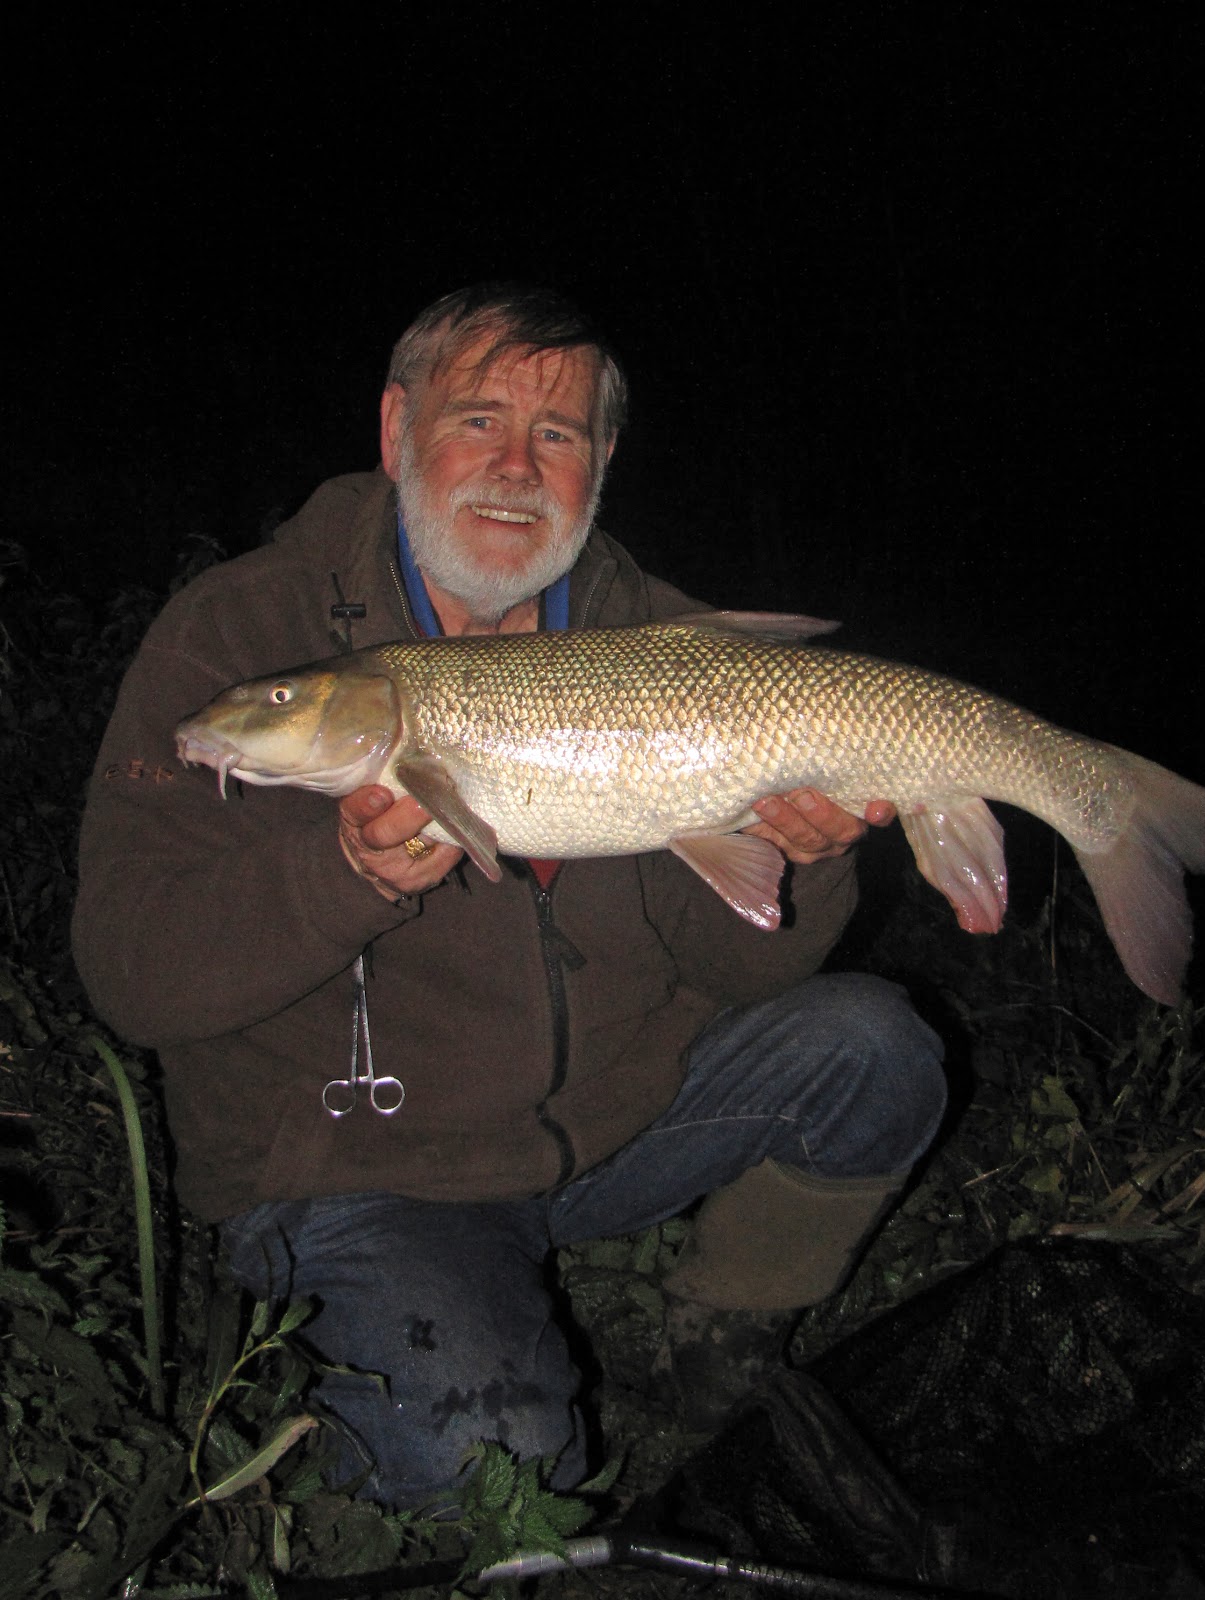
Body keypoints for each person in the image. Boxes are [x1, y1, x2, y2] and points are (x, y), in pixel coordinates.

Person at [73, 284, 946, 1511]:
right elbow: (129, 968)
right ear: (394, 431)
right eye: (478, 419)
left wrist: (803, 858)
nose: (516, 468)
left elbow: (746, 968)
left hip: (610, 1125)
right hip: (370, 1166)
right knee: (501, 1473)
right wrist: (343, 876)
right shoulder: (243, 636)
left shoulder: (664, 645)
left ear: (602, 463)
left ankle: (717, 1341)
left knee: (875, 1051)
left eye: (560, 435)